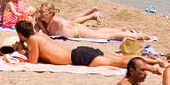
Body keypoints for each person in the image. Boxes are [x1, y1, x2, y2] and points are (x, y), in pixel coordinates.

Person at [13, 21, 152, 70]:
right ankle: (153, 60)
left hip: (78, 57)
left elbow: (33, 61)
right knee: (116, 58)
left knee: (116, 63)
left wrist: (21, 49)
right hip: (79, 52)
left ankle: (149, 63)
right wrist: (24, 46)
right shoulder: (40, 35)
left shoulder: (32, 40)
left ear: (21, 34)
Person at [35, 3, 150, 42]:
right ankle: (127, 31)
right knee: (101, 31)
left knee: (108, 36)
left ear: (50, 13)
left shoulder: (55, 22)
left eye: (43, 13)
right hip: (76, 28)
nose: (41, 15)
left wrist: (40, 24)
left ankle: (138, 36)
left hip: (79, 31)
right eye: (40, 12)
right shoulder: (53, 19)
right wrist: (40, 21)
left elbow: (49, 35)